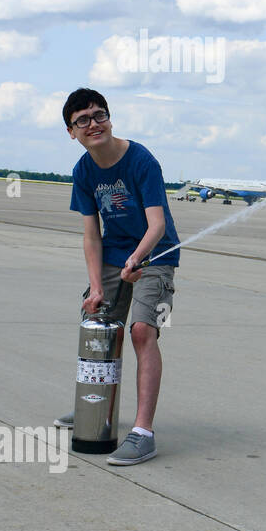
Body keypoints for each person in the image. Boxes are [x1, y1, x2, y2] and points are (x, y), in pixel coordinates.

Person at [57, 88, 182, 466]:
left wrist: (137, 259)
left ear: (109, 118)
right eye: (83, 120)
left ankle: (143, 433)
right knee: (95, 323)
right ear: (71, 132)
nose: (94, 124)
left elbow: (157, 224)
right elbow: (91, 235)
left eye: (100, 115)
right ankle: (95, 411)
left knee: (142, 330)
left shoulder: (140, 159)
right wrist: (96, 286)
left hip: (156, 253)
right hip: (115, 256)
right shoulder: (83, 171)